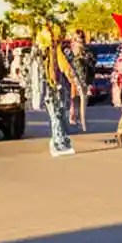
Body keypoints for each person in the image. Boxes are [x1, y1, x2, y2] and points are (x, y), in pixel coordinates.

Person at [34, 23, 78, 157]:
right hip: (50, 86)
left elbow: (66, 68)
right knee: (56, 115)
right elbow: (63, 68)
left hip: (56, 86)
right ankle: (58, 143)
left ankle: (62, 140)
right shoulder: (46, 54)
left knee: (59, 114)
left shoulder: (55, 52)